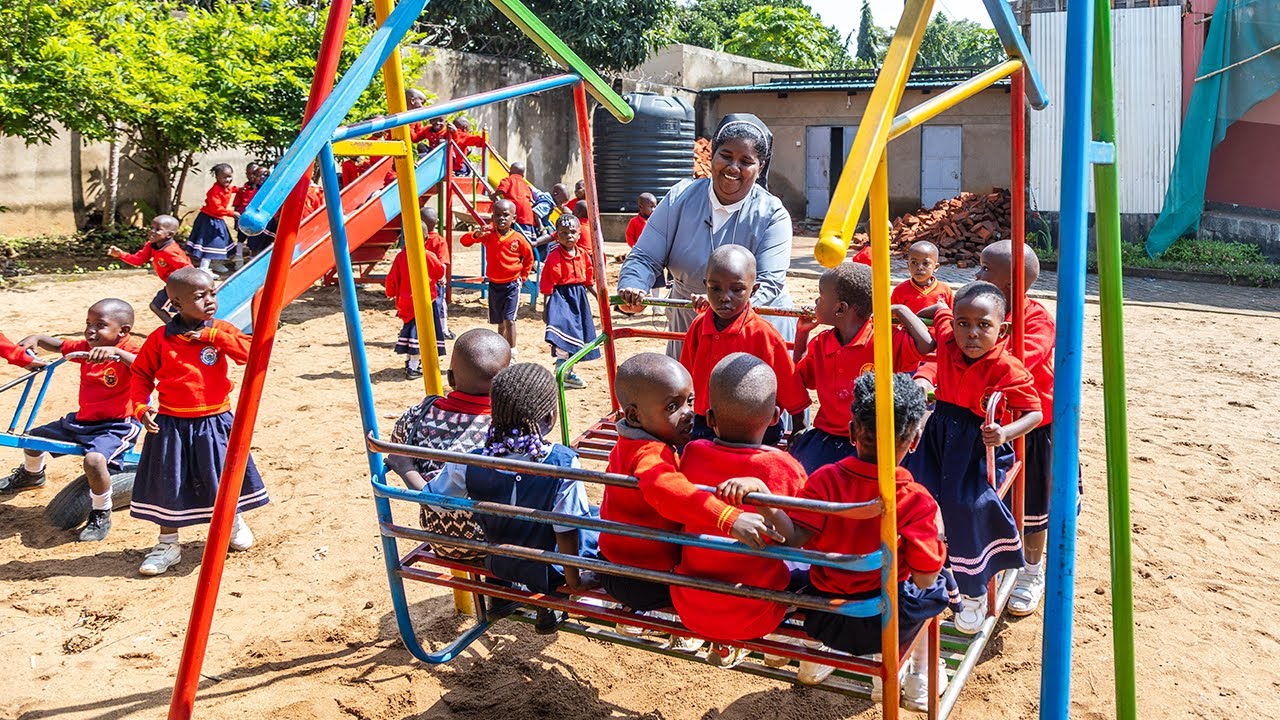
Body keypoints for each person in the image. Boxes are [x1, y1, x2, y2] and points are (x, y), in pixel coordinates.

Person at [733, 372, 948, 709]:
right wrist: (938, 534)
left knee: (801, 572)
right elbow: (924, 578)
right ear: (916, 439)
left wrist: (769, 504)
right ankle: (916, 673)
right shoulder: (917, 501)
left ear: (851, 432)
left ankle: (816, 656)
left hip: (826, 618)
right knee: (940, 585)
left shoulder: (825, 481)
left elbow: (794, 539)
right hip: (886, 624)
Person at [597, 353, 779, 642]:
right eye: (673, 406)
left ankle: (640, 616)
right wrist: (729, 518)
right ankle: (658, 619)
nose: (688, 413)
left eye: (690, 401)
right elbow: (668, 491)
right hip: (645, 579)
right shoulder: (650, 455)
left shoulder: (628, 442)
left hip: (613, 563)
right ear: (634, 416)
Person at [898, 281, 1042, 633]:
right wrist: (910, 314)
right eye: (965, 324)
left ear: (1002, 329)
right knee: (916, 499)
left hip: (978, 447)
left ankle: (974, 588)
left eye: (983, 325)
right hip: (938, 437)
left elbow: (1034, 412)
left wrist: (1006, 432)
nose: (971, 333)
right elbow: (941, 315)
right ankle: (919, 573)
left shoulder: (1007, 367)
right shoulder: (948, 340)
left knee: (968, 507)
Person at [428, 363, 597, 633]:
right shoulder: (561, 463)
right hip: (549, 571)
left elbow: (436, 498)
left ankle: (501, 594)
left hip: (498, 562)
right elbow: (566, 530)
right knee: (593, 520)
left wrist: (406, 469)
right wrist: (574, 581)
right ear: (550, 418)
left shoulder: (468, 461)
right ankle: (552, 601)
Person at [128, 268, 267, 576]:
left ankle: (231, 523)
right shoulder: (160, 339)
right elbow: (140, 374)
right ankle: (168, 544)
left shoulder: (220, 329)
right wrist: (140, 406)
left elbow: (251, 353)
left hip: (216, 420)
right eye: (199, 296)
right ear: (175, 305)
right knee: (170, 483)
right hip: (172, 424)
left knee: (221, 477)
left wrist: (214, 337)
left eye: (212, 293)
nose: (209, 301)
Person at [617, 116, 795, 356]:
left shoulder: (773, 214)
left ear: (760, 167)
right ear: (712, 154)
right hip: (690, 327)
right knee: (687, 390)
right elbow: (644, 256)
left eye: (746, 161)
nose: (733, 167)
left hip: (752, 332)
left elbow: (769, 282)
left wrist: (719, 304)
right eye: (726, 156)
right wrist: (633, 286)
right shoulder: (680, 198)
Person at [672, 353, 804, 668]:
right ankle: (783, 643)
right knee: (803, 566)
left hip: (689, 604)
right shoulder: (784, 467)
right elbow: (802, 536)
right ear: (775, 417)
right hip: (757, 615)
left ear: (711, 418)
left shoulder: (692, 454)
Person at [2, 300, 143, 542]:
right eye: (88, 324)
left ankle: (101, 512)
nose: (90, 331)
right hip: (83, 421)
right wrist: (37, 337)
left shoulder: (133, 351)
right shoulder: (87, 348)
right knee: (33, 439)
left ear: (123, 331)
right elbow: (58, 345)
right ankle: (32, 475)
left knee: (95, 461)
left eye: (100, 325)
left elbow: (150, 368)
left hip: (117, 425)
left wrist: (118, 354)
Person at [976, 240, 1063, 617]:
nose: (977, 275)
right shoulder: (981, 312)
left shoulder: (1036, 320)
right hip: (991, 425)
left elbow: (1022, 360)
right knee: (990, 497)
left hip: (1032, 425)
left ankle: (1032, 568)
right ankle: (988, 562)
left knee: (1034, 508)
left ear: (1011, 283)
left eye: (985, 270)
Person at [788, 262, 926, 473]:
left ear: (840, 308)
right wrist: (802, 335)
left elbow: (926, 345)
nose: (816, 301)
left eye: (821, 295)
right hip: (826, 436)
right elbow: (803, 378)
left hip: (870, 443)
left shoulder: (884, 340)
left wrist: (900, 309)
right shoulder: (823, 342)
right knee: (803, 478)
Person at [386, 328, 509, 559]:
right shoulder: (506, 428)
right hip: (495, 543)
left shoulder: (419, 415)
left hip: (437, 536)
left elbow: (398, 443)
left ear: (451, 378)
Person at [679, 245, 808, 446]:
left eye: (737, 289)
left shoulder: (762, 333)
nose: (724, 296)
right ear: (705, 286)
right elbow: (685, 374)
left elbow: (787, 380)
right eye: (715, 288)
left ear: (753, 289)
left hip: (756, 424)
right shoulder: (698, 327)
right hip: (708, 421)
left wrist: (799, 425)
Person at [459, 199, 533, 350]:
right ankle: (501, 349)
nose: (501, 219)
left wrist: (523, 277)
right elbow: (464, 241)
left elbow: (528, 258)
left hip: (512, 284)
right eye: (497, 215)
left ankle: (512, 352)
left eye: (506, 215)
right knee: (500, 321)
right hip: (494, 284)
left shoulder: (518, 238)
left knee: (509, 320)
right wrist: (475, 234)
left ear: (514, 218)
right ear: (492, 218)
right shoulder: (488, 235)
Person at [539, 215, 598, 390]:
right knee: (562, 329)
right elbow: (548, 282)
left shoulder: (583, 255)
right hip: (560, 297)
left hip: (578, 298)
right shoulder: (554, 256)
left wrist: (599, 297)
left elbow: (588, 280)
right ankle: (561, 366)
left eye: (572, 232)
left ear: (579, 234)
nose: (569, 236)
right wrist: (546, 307)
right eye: (563, 233)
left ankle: (568, 373)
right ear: (557, 234)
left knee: (578, 334)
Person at [386, 225, 446, 380]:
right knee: (419, 334)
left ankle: (410, 362)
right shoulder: (427, 256)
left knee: (410, 332)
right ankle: (413, 367)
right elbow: (440, 271)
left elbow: (392, 278)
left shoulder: (400, 257)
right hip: (423, 302)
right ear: (426, 239)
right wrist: (439, 279)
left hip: (406, 302)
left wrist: (391, 293)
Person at [108, 215, 192, 323]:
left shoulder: (169, 251)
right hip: (172, 285)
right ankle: (178, 327)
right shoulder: (152, 245)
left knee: (158, 306)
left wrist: (183, 286)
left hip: (179, 285)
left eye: (158, 229)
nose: (152, 231)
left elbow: (187, 269)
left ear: (170, 234)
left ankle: (175, 328)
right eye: (151, 228)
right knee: (168, 307)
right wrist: (121, 255)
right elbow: (138, 260)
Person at [186, 163, 239, 272]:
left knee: (220, 243)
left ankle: (215, 264)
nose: (228, 179)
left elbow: (232, 189)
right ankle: (204, 267)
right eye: (224, 177)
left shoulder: (227, 188)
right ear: (217, 178)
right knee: (210, 243)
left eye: (230, 176)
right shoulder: (214, 191)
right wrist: (232, 213)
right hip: (209, 220)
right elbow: (216, 208)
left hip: (218, 219)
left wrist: (241, 190)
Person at [892, 241, 953, 319]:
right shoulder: (900, 291)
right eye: (914, 262)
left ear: (936, 267)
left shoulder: (945, 290)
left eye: (925, 263)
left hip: (937, 331)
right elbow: (892, 319)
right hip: (908, 331)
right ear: (908, 266)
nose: (919, 267)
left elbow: (951, 316)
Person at [421, 207, 454, 339]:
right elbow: (443, 261)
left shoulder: (418, 239)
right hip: (435, 279)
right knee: (440, 304)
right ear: (437, 221)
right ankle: (443, 329)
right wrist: (443, 276)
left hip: (422, 278)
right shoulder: (439, 240)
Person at [493, 162, 537, 243]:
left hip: (514, 212)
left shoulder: (508, 180)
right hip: (527, 216)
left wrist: (493, 195)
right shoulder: (525, 185)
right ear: (523, 175)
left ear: (509, 172)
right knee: (526, 241)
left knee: (513, 240)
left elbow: (501, 190)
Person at [231, 163, 263, 268]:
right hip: (243, 218)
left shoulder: (261, 189)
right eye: (249, 174)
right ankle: (238, 258)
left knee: (254, 241)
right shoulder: (243, 189)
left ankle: (251, 262)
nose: (252, 176)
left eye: (255, 174)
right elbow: (236, 204)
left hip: (255, 220)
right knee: (240, 238)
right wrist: (236, 221)